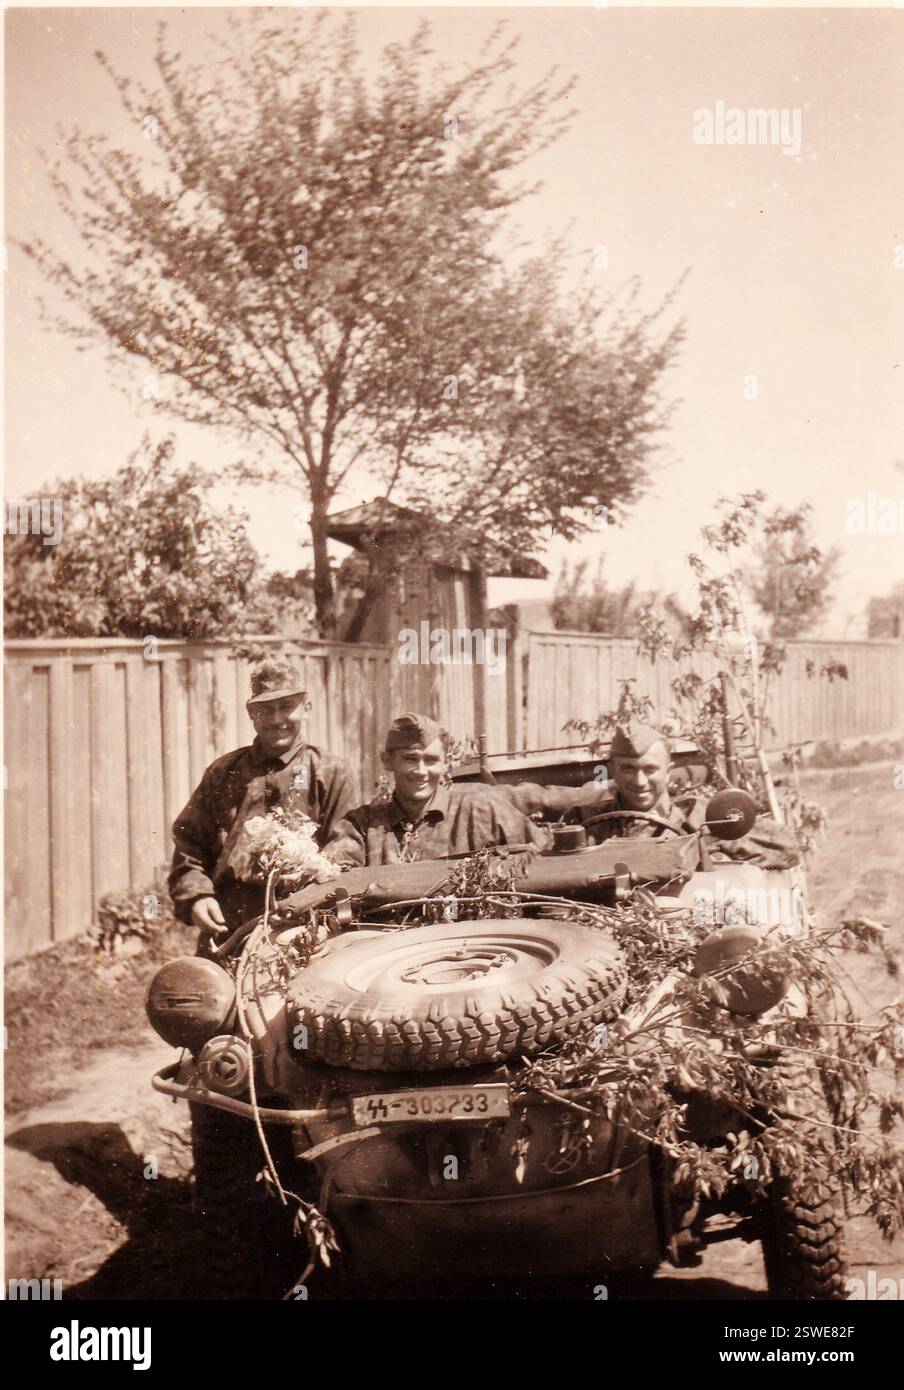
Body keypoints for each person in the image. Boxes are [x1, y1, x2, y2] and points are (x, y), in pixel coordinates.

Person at [168, 658, 359, 944]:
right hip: (228, 923)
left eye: (286, 707)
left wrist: (308, 886)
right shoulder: (224, 772)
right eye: (265, 709)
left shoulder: (330, 772)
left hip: (305, 923)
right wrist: (197, 896)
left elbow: (346, 850)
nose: (276, 719)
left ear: (306, 708)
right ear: (251, 713)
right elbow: (189, 845)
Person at [323, 712, 549, 867]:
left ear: (446, 764)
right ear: (387, 762)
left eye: (431, 760)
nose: (421, 771)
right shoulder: (362, 826)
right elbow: (333, 875)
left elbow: (542, 860)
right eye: (410, 759)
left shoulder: (480, 807)